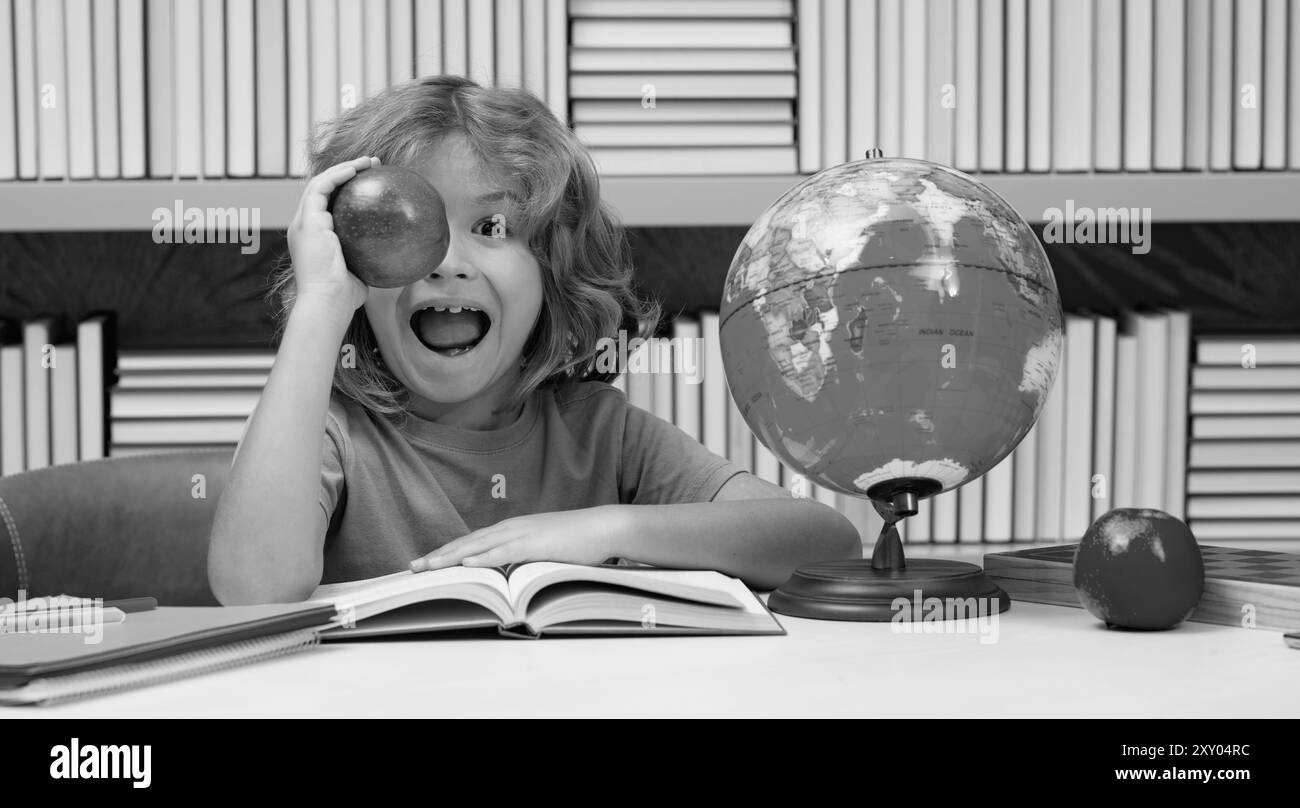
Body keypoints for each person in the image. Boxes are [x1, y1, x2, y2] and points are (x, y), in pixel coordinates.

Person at [208, 76, 860, 605]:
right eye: (407, 225)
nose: (447, 262)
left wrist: (605, 528)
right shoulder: (329, 437)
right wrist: (321, 302)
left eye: (492, 225)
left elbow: (823, 541)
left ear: (552, 273)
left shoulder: (603, 435)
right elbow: (252, 585)